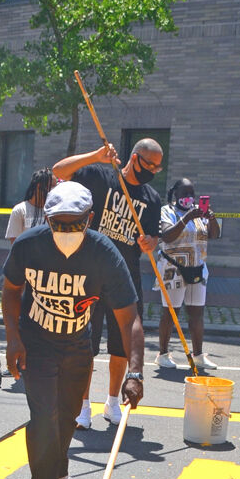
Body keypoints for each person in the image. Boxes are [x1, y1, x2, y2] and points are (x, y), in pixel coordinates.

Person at [3, 181, 144, 479]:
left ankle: (59, 474)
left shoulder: (103, 253)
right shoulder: (29, 244)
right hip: (37, 346)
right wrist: (13, 339)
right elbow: (11, 290)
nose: (66, 231)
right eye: (58, 224)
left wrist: (136, 372)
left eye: (75, 223)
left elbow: (129, 318)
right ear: (47, 219)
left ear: (90, 219)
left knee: (66, 419)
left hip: (78, 347)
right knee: (44, 420)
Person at [53, 140, 161, 429]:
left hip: (124, 277)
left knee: (121, 345)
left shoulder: (151, 198)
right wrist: (96, 156)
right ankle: (82, 405)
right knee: (85, 344)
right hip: (89, 274)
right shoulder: (101, 177)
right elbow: (59, 171)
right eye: (150, 165)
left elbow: (153, 236)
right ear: (135, 158)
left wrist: (151, 242)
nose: (153, 171)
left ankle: (113, 401)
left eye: (157, 168)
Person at [154, 178, 221, 371]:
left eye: (192, 194)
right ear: (175, 194)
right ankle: (163, 354)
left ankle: (198, 355)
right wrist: (186, 218)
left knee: (197, 313)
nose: (189, 197)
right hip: (173, 268)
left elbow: (214, 235)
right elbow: (167, 236)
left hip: (198, 267)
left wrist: (211, 218)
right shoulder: (167, 211)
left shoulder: (199, 213)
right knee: (171, 312)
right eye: (185, 194)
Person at [5, 167, 55, 244]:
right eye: (52, 185)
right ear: (39, 186)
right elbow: (15, 242)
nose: (55, 189)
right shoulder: (20, 210)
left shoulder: (54, 210)